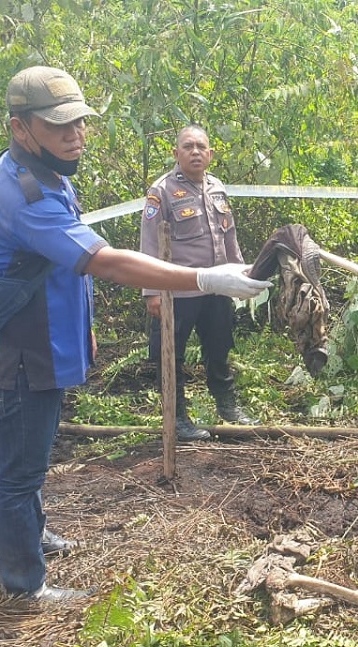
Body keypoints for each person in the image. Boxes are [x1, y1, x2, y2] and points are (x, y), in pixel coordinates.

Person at [0, 66, 270, 602]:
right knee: (17, 472)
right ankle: (25, 584)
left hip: (37, 346)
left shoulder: (43, 174)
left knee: (30, 459)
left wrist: (85, 328)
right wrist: (203, 279)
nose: (75, 136)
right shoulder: (26, 195)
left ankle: (32, 536)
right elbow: (104, 261)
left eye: (80, 123)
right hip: (13, 360)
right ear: (21, 129)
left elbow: (55, 271)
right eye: (60, 127)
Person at [140, 124, 258, 442]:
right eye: (188, 146)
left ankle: (228, 406)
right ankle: (177, 418)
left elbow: (228, 235)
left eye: (201, 147)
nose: (195, 152)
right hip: (177, 290)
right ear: (176, 153)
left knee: (219, 347)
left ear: (210, 154)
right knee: (170, 354)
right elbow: (150, 242)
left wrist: (241, 275)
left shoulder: (217, 188)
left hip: (217, 286)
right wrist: (152, 291)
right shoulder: (161, 191)